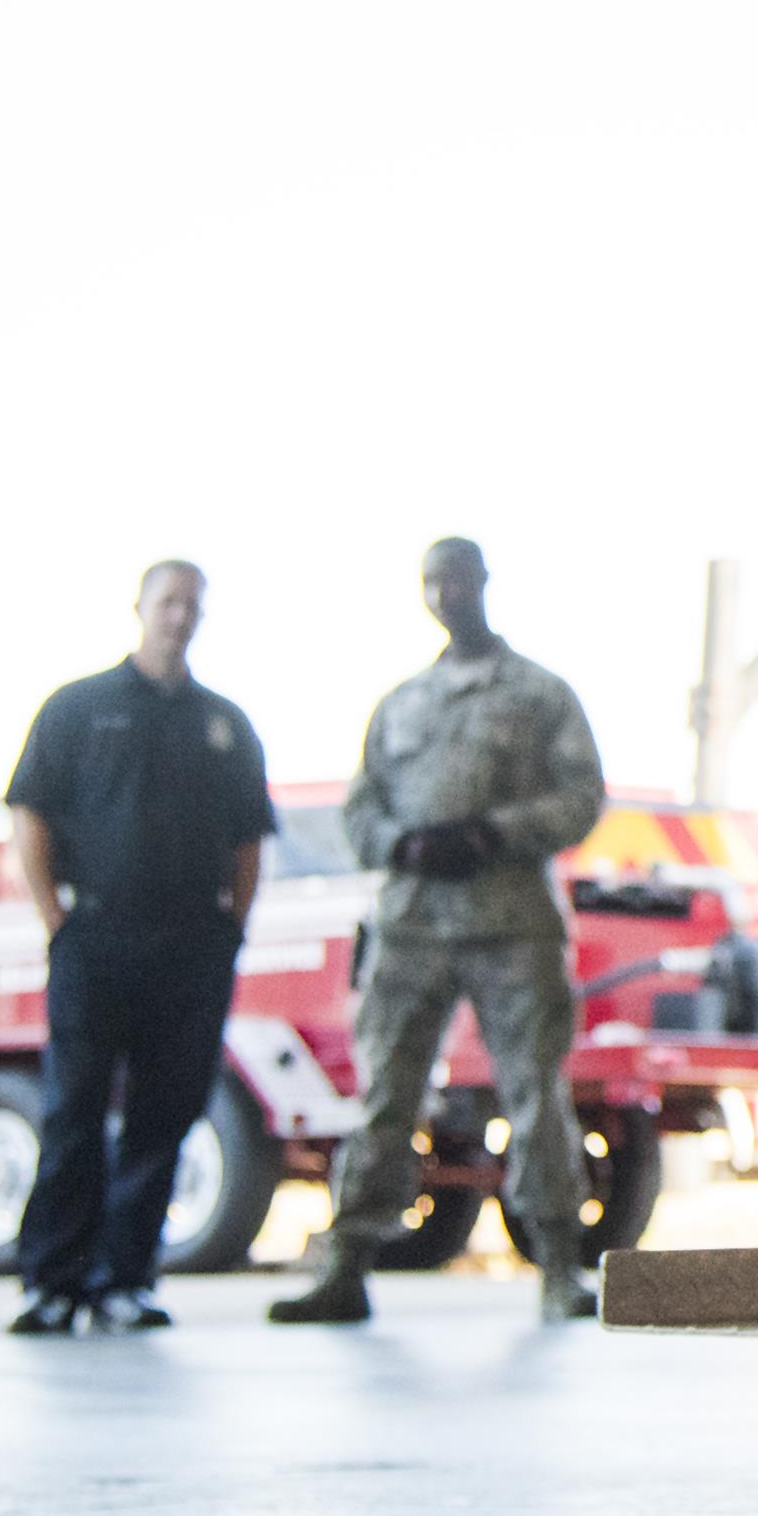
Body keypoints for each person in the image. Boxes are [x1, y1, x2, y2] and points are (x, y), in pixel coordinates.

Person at [270, 538, 606, 1325]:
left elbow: (581, 796)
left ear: (483, 582)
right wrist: (401, 843)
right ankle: (347, 1261)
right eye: (432, 581)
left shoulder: (538, 693)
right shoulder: (402, 703)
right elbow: (360, 809)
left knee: (535, 1095)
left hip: (510, 924)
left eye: (457, 578)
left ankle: (560, 1264)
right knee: (386, 1094)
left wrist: (496, 832)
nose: (446, 593)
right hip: (413, 927)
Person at [4, 560, 275, 1335]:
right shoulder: (77, 708)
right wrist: (57, 919)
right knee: (74, 1108)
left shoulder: (223, 723)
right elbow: (31, 815)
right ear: (139, 607)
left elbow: (250, 838)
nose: (179, 616)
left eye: (193, 604)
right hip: (96, 939)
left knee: (167, 1113)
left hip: (192, 945)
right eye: (168, 601)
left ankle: (126, 1280)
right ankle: (52, 1283)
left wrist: (232, 931)